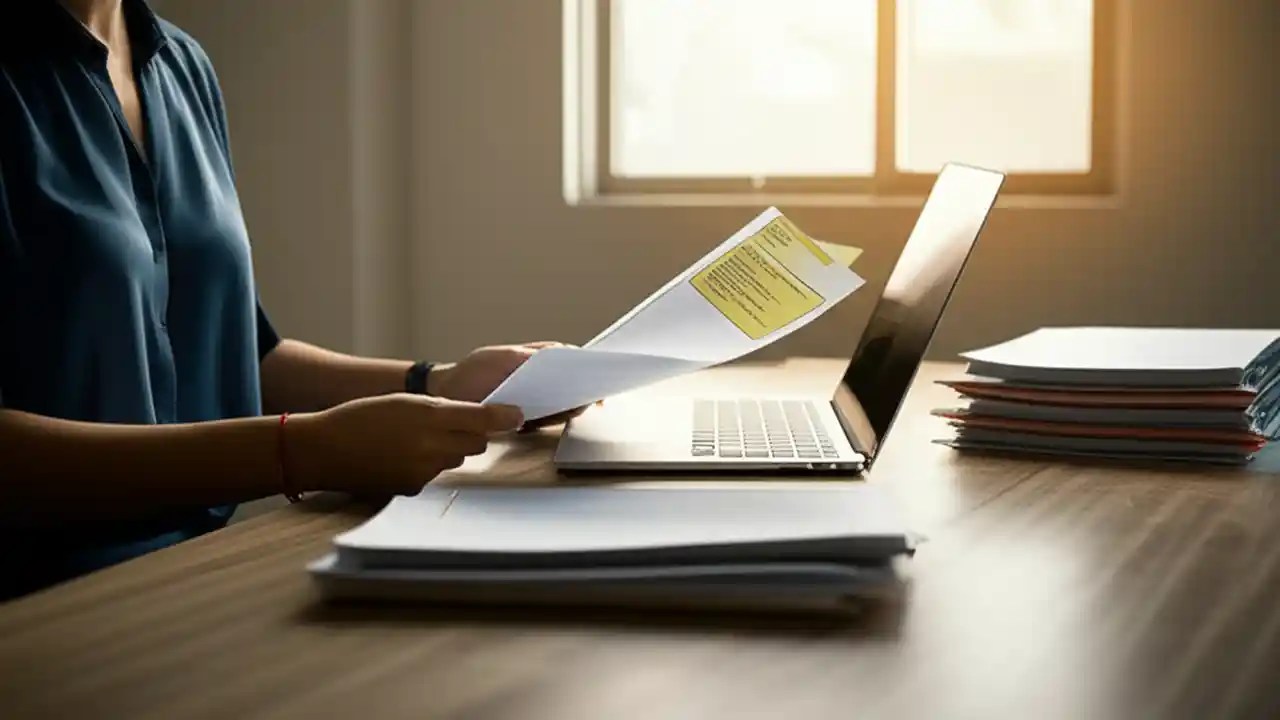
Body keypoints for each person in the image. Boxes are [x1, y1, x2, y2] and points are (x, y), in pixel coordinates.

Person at [0, 0, 577, 598]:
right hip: (44, 603)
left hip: (196, 574)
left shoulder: (181, 65)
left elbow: (238, 357)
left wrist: (439, 383)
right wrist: (304, 452)